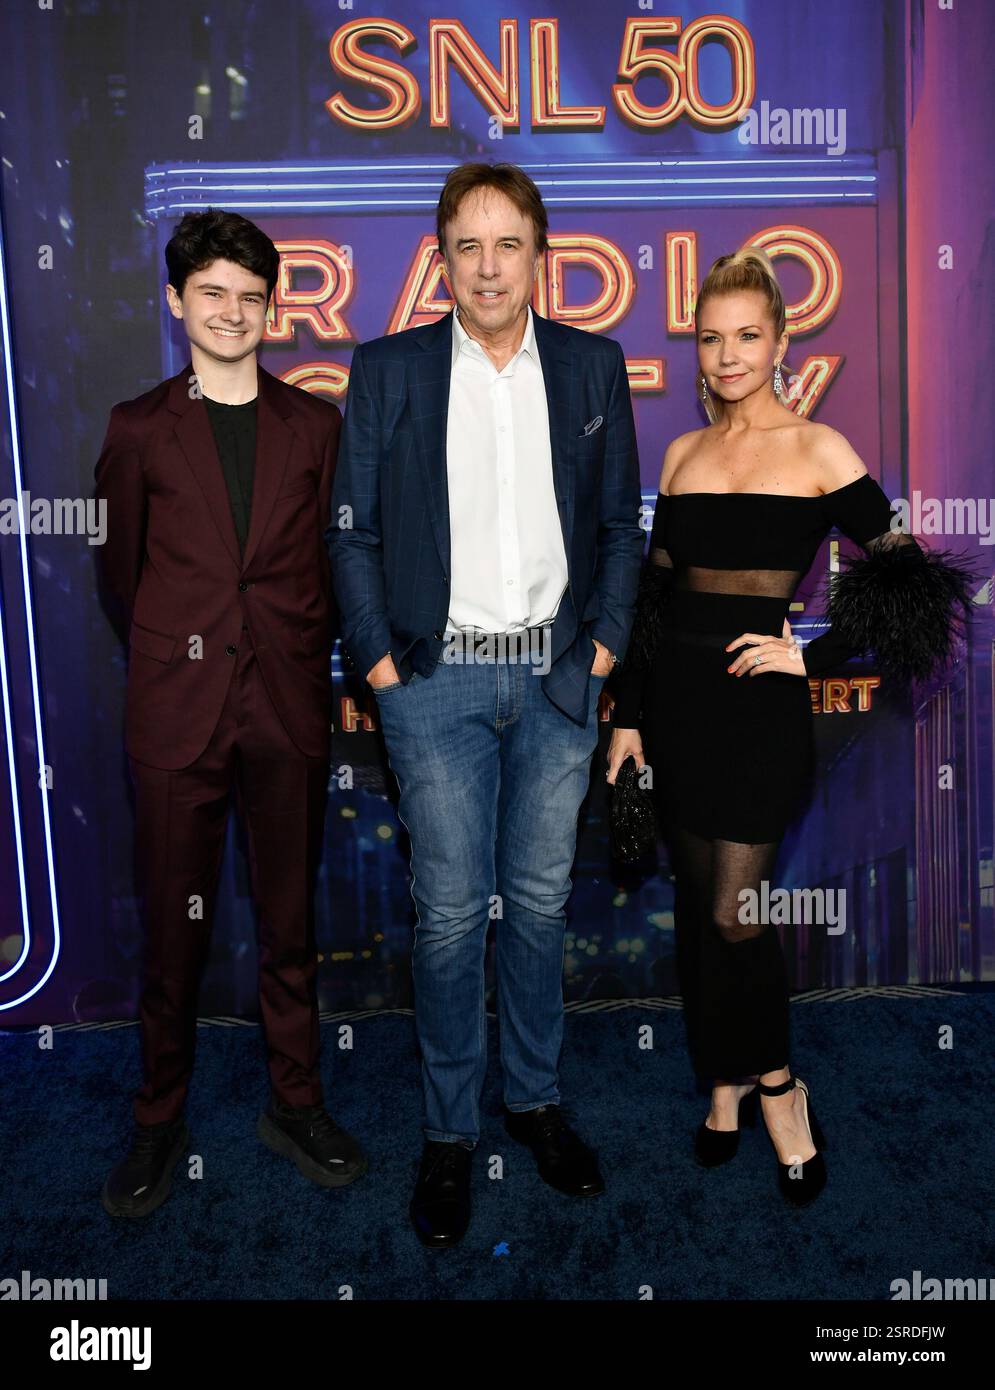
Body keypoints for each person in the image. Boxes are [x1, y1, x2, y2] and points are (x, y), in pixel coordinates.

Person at [606, 248, 973, 1207]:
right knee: (697, 909)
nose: (728, 356)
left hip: (758, 715)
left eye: (746, 337)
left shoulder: (820, 450)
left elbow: (912, 587)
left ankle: (777, 1086)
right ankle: (720, 1084)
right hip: (677, 710)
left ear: (779, 341)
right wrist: (629, 723)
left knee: (737, 913)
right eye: (710, 338)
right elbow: (650, 607)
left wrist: (806, 657)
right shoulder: (683, 456)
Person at [328, 162, 643, 1247]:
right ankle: (451, 1132)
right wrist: (379, 668)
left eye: (507, 243)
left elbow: (617, 532)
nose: (488, 265)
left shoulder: (593, 368)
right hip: (432, 687)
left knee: (541, 907)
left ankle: (536, 1101)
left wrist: (599, 655)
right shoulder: (388, 371)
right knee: (452, 917)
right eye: (466, 244)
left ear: (537, 253)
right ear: (442, 259)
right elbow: (352, 531)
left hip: (558, 681)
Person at [95, 207, 366, 1219]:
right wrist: (183, 645)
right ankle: (158, 1120)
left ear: (271, 309)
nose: (232, 311)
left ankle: (293, 1102)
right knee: (173, 931)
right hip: (176, 711)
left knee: (290, 922)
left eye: (250, 296)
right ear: (177, 302)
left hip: (288, 707)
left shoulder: (313, 425)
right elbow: (119, 572)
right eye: (212, 293)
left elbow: (334, 565)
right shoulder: (137, 427)